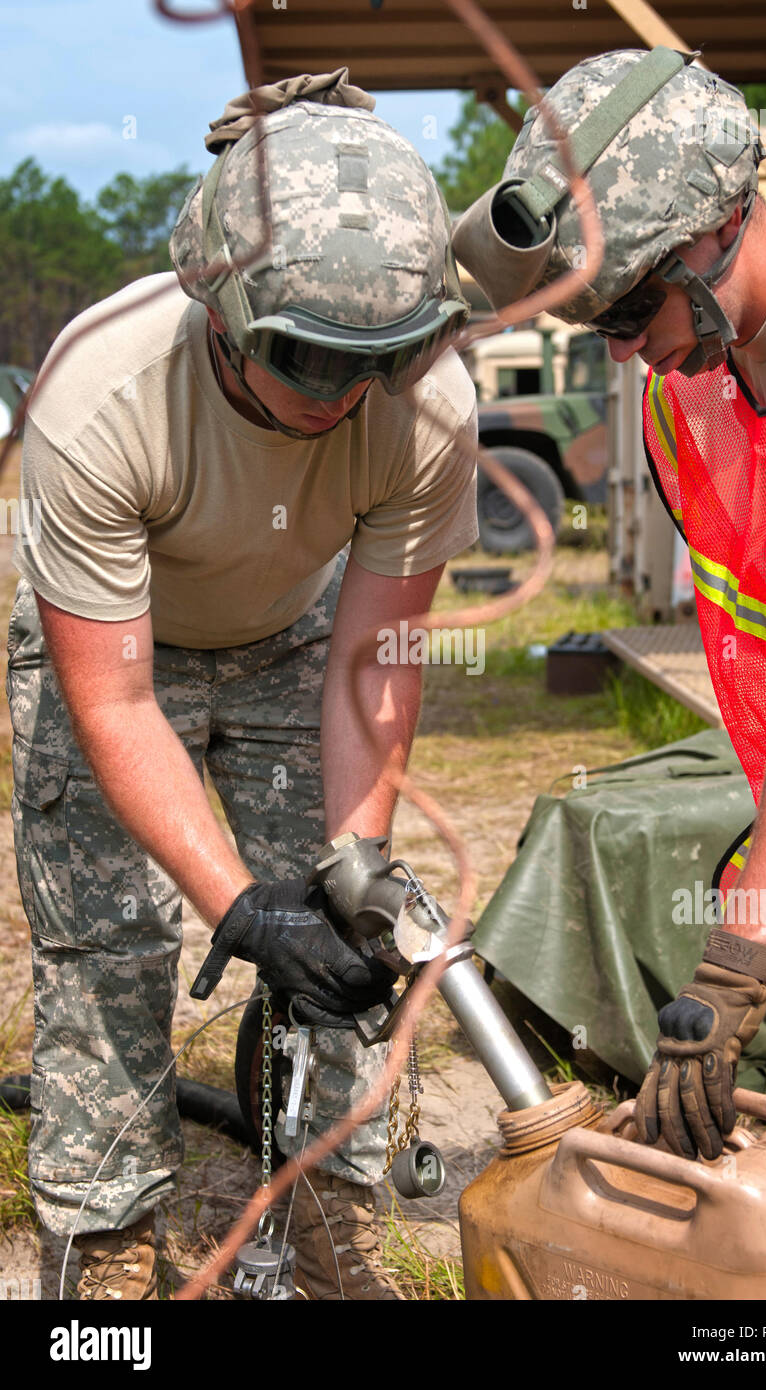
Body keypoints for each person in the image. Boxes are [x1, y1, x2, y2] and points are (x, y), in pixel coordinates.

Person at [10, 69, 478, 1300]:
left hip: (294, 634)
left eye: (363, 363)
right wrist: (238, 907)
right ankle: (104, 1245)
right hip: (121, 644)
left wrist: (349, 865)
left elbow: (376, 657)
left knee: (349, 938)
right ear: (217, 308)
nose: (332, 396)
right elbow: (114, 705)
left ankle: (331, 1205)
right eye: (300, 357)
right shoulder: (99, 396)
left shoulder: (424, 406)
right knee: (107, 944)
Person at [455, 48, 766, 1194]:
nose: (624, 349)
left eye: (630, 306)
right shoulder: (682, 393)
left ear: (719, 221)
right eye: (597, 326)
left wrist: (728, 961)